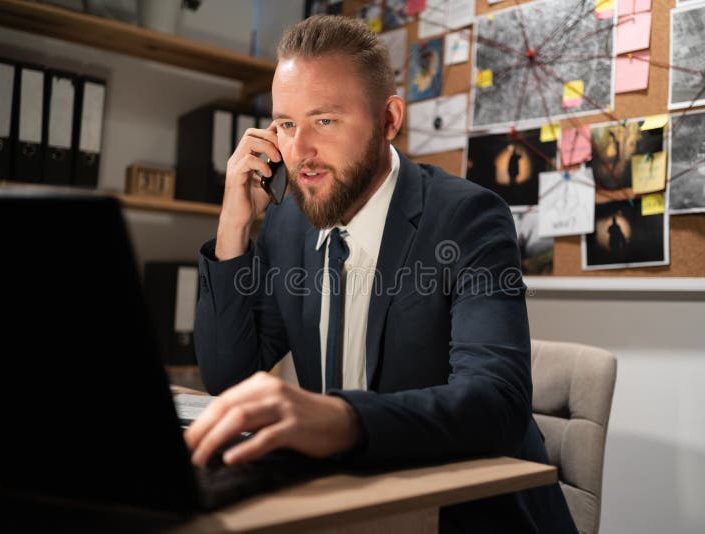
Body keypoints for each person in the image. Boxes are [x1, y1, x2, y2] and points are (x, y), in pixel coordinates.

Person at [184, 15, 576, 533]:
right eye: (285, 124)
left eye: (324, 120)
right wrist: (234, 225)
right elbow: (228, 376)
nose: (299, 152)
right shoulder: (287, 223)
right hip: (352, 504)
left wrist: (343, 420)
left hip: (469, 514)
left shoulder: (467, 218)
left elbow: (496, 406)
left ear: (389, 120)